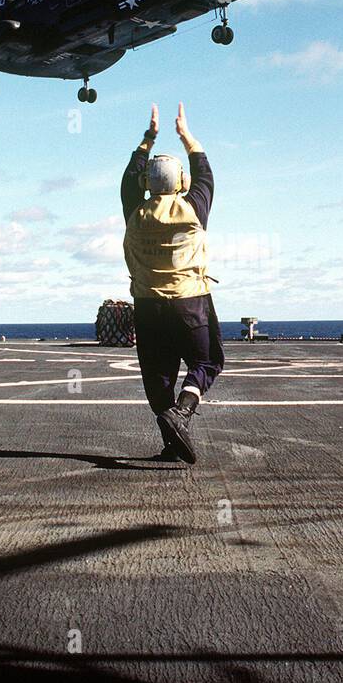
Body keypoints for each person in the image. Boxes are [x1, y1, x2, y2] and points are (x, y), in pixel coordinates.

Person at [121, 102, 224, 464]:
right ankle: (182, 412)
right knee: (207, 361)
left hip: (148, 306)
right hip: (191, 301)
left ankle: (171, 439)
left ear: (145, 184)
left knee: (158, 375)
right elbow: (205, 173)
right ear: (182, 183)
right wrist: (186, 135)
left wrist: (148, 138)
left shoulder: (135, 211)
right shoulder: (194, 208)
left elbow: (128, 179)